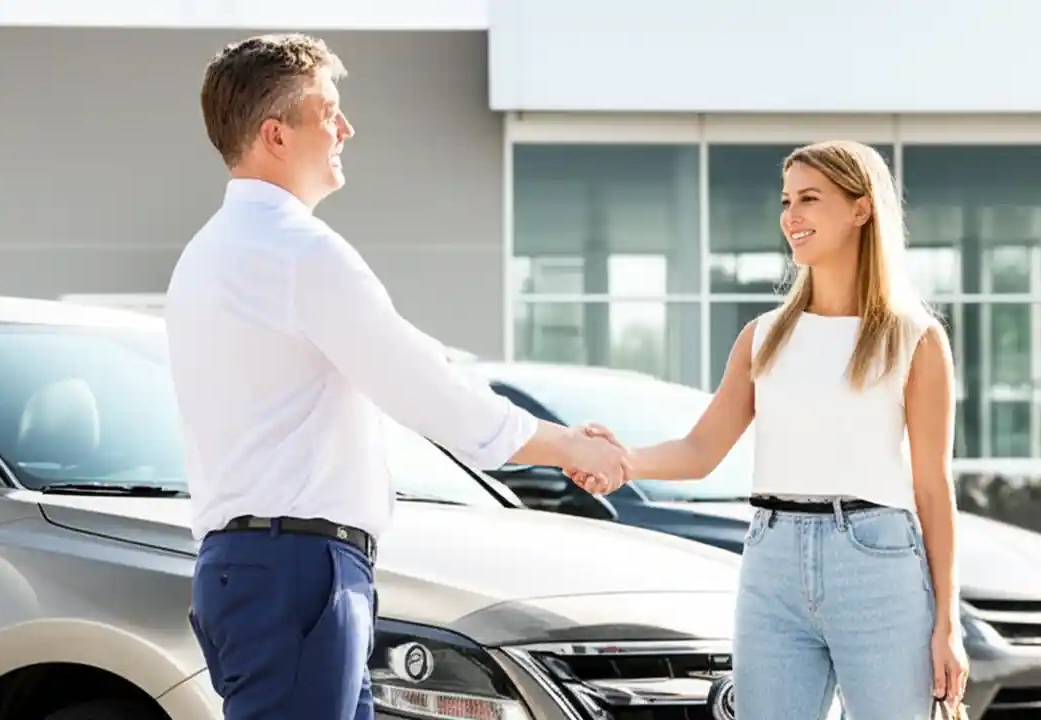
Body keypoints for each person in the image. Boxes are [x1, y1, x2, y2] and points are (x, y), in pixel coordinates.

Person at [165, 33, 627, 720]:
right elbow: (426, 388)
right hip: (298, 569)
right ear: (275, 135)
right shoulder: (299, 252)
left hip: (253, 565)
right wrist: (568, 449)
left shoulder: (204, 258)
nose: (346, 127)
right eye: (328, 111)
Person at [569, 140, 969, 718]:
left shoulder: (915, 338)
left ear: (862, 209)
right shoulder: (764, 335)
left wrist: (946, 623)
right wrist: (624, 460)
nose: (791, 217)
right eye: (786, 201)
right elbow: (701, 449)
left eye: (810, 198)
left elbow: (933, 488)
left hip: (878, 564)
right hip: (772, 560)